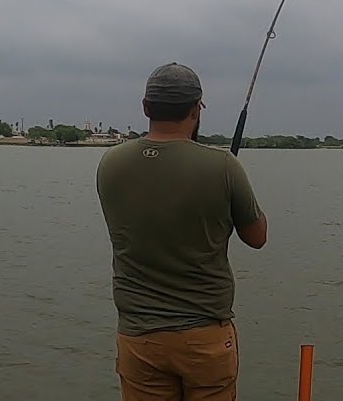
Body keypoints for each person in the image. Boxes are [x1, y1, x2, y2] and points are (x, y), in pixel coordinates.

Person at [97, 62, 268, 401]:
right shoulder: (223, 166)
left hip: (139, 336)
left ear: (145, 108)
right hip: (205, 337)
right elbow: (257, 237)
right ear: (196, 109)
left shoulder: (110, 163)